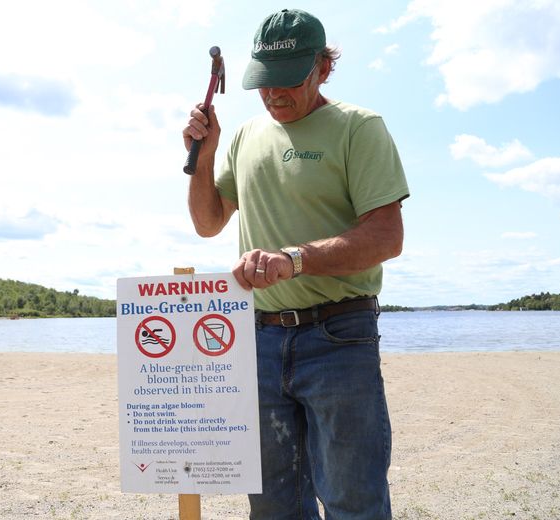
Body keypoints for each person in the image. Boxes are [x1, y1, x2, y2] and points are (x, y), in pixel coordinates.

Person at [182, 8, 409, 520]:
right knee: (272, 505)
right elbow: (208, 222)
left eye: (289, 82)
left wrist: (294, 259)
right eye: (265, 83)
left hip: (339, 336)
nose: (274, 95)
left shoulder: (359, 127)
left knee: (353, 500)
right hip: (257, 339)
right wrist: (204, 154)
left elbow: (386, 236)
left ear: (324, 68)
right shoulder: (243, 137)